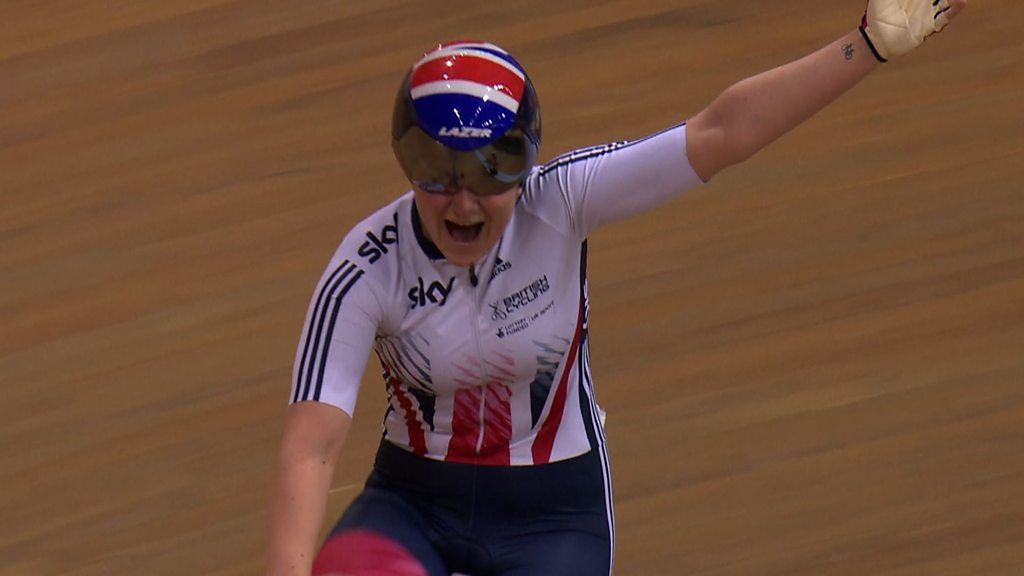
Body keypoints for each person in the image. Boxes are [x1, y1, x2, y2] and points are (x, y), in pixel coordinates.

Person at [267, 1, 967, 574]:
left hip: (552, 514)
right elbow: (311, 449)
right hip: (412, 505)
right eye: (439, 173)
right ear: (406, 160)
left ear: (526, 165)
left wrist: (865, 47)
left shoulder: (562, 203)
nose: (465, 202)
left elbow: (720, 133)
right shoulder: (367, 266)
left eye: (490, 173)